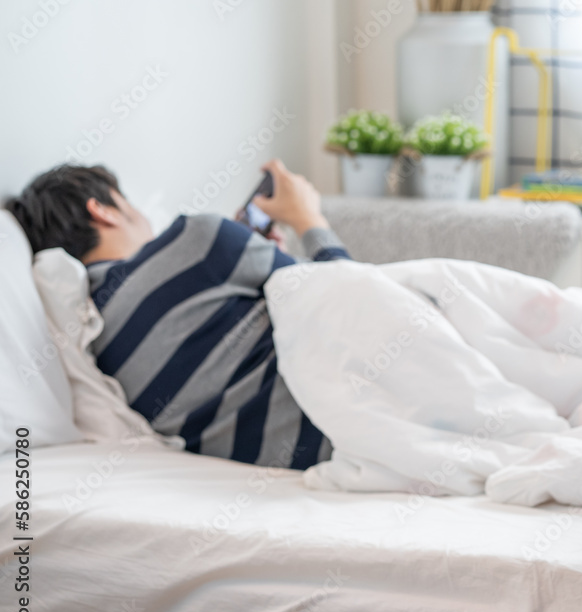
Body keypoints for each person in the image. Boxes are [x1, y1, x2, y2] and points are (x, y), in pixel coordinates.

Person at [5, 159, 351, 470]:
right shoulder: (196, 237)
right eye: (128, 202)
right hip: (358, 412)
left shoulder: (97, 349)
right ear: (102, 210)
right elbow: (355, 299)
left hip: (318, 456)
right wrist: (308, 219)